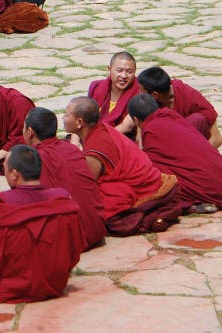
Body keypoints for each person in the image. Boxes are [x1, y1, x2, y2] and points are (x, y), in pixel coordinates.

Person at [0, 145, 85, 303]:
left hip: (9, 285)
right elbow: (75, 247)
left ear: (14, 175)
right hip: (53, 283)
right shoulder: (62, 199)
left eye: (5, 169)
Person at [63, 96, 183, 236]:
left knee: (103, 211)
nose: (63, 117)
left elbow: (88, 185)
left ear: (79, 123)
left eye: (66, 114)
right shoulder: (100, 129)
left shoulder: (95, 148)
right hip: (147, 178)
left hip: (146, 187)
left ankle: (153, 216)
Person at [128, 94, 222, 213]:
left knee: (151, 170)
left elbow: (151, 164)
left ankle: (191, 203)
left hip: (211, 189)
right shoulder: (171, 116)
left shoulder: (151, 130)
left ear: (136, 120)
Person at [22, 107, 106, 250]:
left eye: (23, 127)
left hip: (69, 240)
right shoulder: (71, 149)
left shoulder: (33, 159)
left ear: (30, 132)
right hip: (95, 230)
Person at [137, 66, 222, 148]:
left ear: (154, 95)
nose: (139, 95)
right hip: (164, 146)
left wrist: (196, 157)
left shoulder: (190, 97)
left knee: (197, 119)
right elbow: (142, 126)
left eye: (142, 92)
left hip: (190, 148)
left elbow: (217, 139)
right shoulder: (150, 102)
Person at [87, 51, 139, 135]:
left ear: (135, 71)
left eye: (129, 72)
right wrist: (75, 140)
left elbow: (126, 126)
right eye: (119, 70)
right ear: (109, 69)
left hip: (121, 138)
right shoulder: (97, 87)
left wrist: (100, 139)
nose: (124, 76)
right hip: (94, 134)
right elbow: (83, 115)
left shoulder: (139, 91)